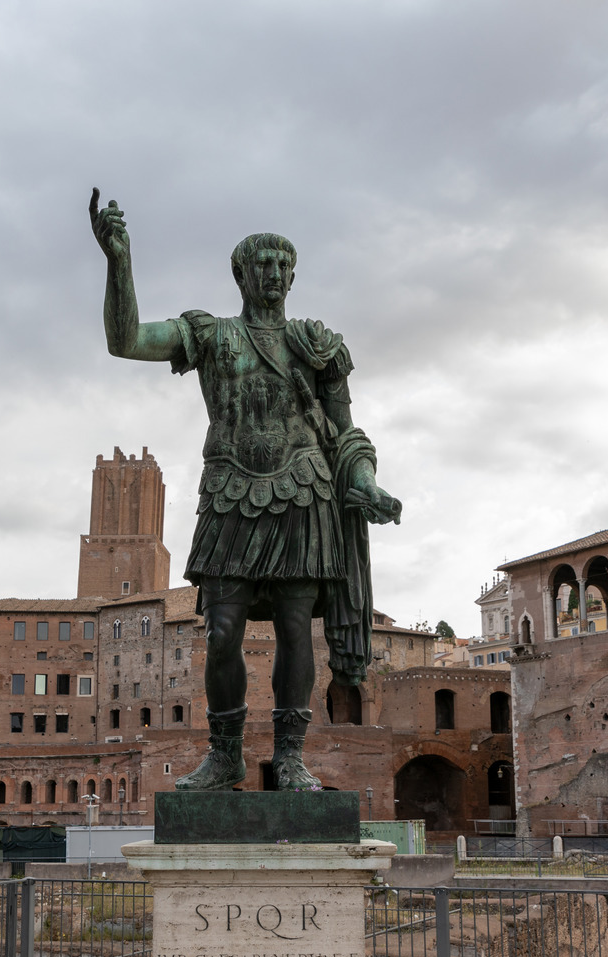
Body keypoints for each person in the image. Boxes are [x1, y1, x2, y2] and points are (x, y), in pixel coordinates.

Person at [90, 190, 401, 791]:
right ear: (239, 273)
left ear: (293, 275)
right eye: (262, 264)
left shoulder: (316, 344)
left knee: (293, 627)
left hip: (305, 490)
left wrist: (365, 482)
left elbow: (345, 432)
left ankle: (289, 756)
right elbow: (126, 340)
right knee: (225, 629)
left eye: (283, 266)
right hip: (232, 490)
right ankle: (226, 753)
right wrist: (118, 261)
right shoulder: (211, 335)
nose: (273, 274)